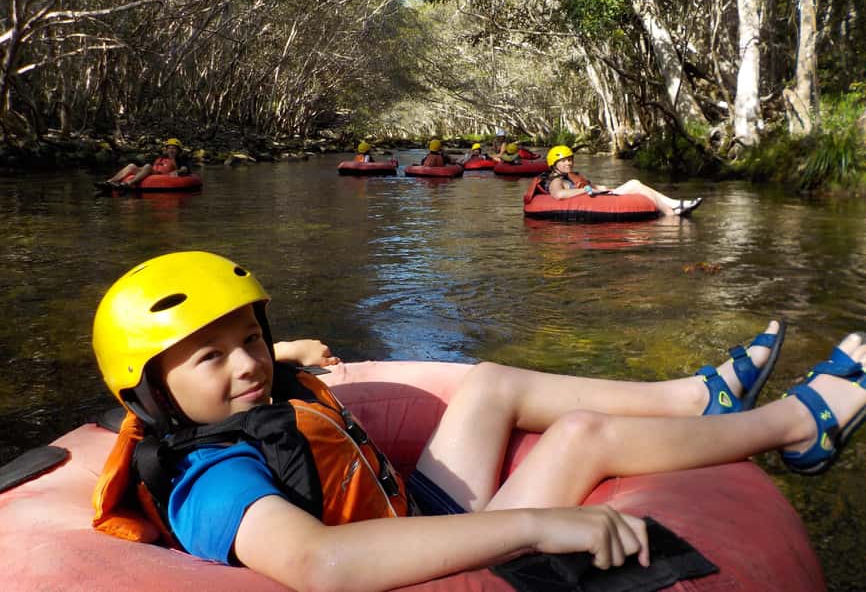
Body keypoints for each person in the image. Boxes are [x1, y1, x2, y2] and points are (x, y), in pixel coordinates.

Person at [91, 251, 866, 591]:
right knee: (581, 438)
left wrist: (281, 349)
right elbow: (322, 566)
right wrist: (535, 524)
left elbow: (261, 370)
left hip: (408, 512)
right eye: (211, 359)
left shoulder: (250, 393)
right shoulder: (214, 481)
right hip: (417, 562)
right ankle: (799, 426)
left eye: (250, 338)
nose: (248, 366)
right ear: (152, 392)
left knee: (489, 383)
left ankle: (696, 397)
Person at [542, 145, 703, 216]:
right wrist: (584, 190)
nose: (568, 163)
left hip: (600, 195)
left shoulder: (568, 176)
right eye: (563, 161)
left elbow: (586, 185)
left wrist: (598, 187)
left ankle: (674, 205)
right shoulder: (556, 179)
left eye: (569, 160)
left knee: (636, 184)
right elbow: (559, 194)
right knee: (635, 184)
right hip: (596, 199)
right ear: (554, 164)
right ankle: (670, 211)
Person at [102, 138, 191, 188]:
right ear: (166, 149)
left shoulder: (180, 159)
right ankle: (109, 182)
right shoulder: (162, 158)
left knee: (148, 166)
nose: (171, 150)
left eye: (174, 148)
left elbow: (184, 169)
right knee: (132, 166)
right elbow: (154, 166)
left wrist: (177, 172)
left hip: (164, 176)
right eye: (169, 148)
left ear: (178, 150)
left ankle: (128, 184)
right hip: (153, 174)